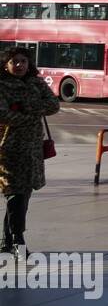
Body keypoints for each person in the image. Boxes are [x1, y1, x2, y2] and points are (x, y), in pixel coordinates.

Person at [0, 47, 60, 259]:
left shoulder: (36, 82)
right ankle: (18, 240)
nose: (19, 65)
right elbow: (4, 114)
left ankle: (7, 241)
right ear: (6, 64)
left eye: (23, 61)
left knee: (23, 194)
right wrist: (31, 115)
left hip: (33, 149)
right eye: (14, 61)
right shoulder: (2, 85)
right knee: (14, 192)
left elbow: (53, 105)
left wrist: (25, 107)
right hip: (8, 148)